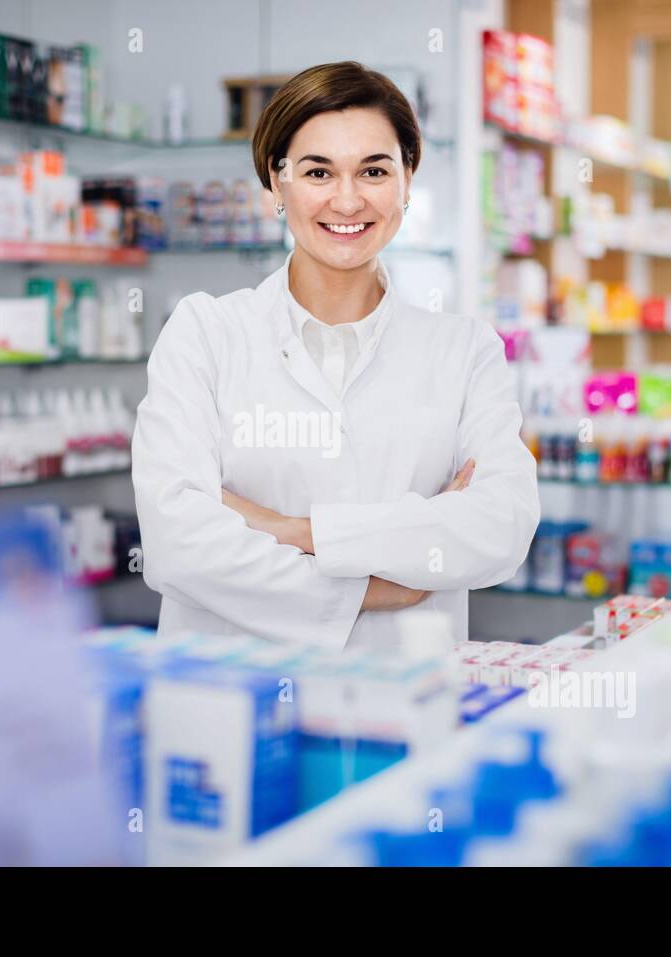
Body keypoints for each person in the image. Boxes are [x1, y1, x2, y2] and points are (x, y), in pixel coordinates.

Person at [131, 61, 540, 651]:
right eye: (318, 171)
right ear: (276, 183)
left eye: (374, 170)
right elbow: (178, 547)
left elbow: (500, 528)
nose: (347, 200)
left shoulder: (464, 349)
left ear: (407, 181)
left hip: (406, 698)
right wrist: (379, 584)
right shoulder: (205, 332)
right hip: (235, 697)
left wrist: (295, 530)